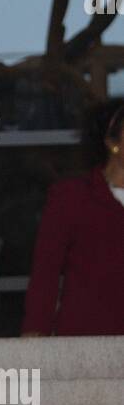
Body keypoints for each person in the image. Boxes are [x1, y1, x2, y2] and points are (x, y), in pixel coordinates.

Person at [22, 100, 124, 336]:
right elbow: (45, 273)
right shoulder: (72, 197)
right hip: (85, 341)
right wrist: (34, 335)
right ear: (112, 142)